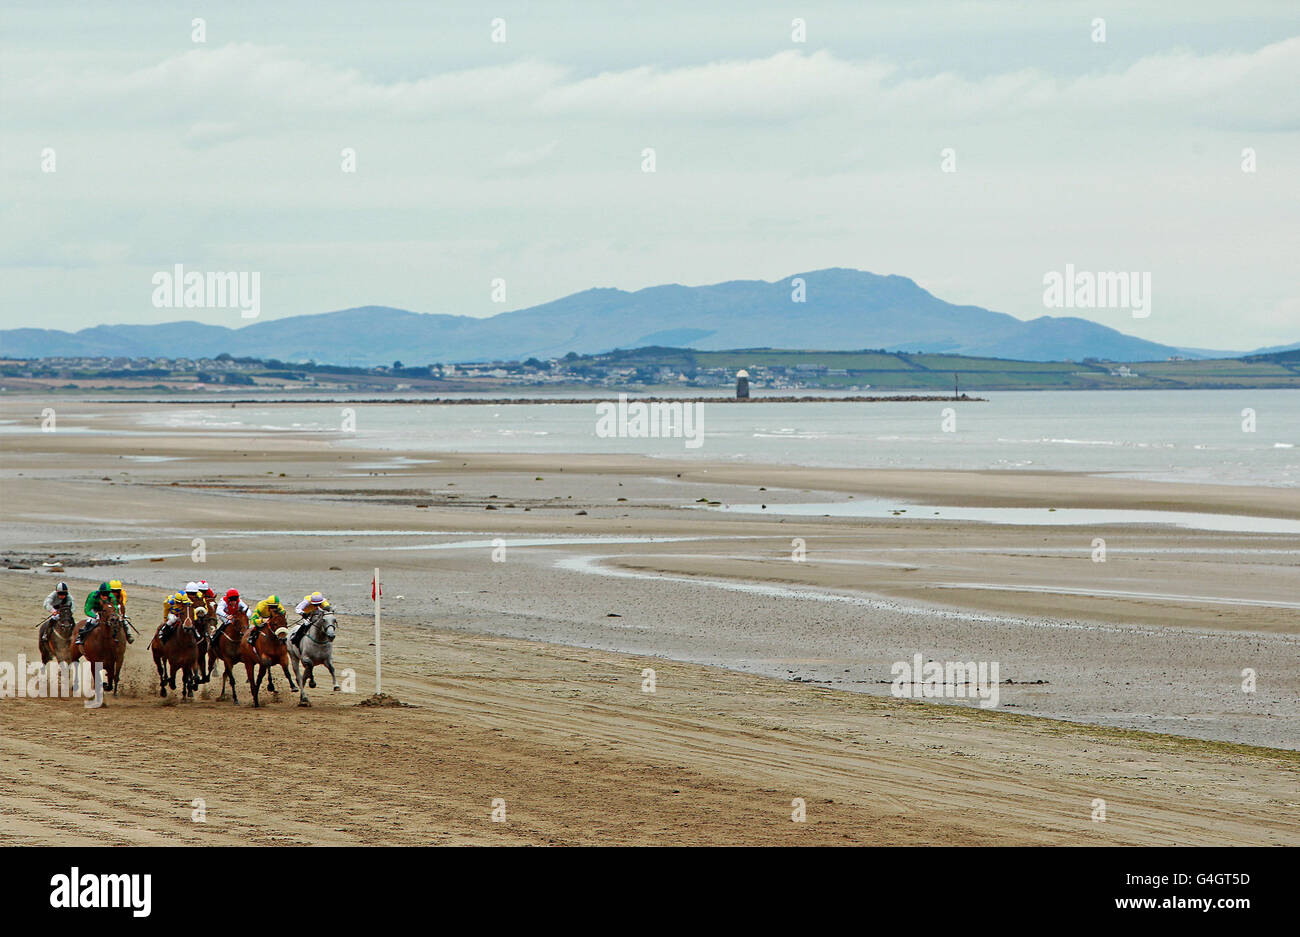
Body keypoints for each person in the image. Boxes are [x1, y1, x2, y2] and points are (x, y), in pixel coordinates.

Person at [39, 581, 75, 649]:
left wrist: (69, 614)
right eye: (60, 594)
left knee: (71, 620)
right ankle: (46, 634)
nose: (62, 596)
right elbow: (46, 604)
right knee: (54, 618)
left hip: (65, 610)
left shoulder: (69, 597)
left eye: (64, 594)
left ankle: (75, 634)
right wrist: (53, 611)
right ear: (56, 592)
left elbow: (73, 607)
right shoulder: (52, 596)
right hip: (55, 609)